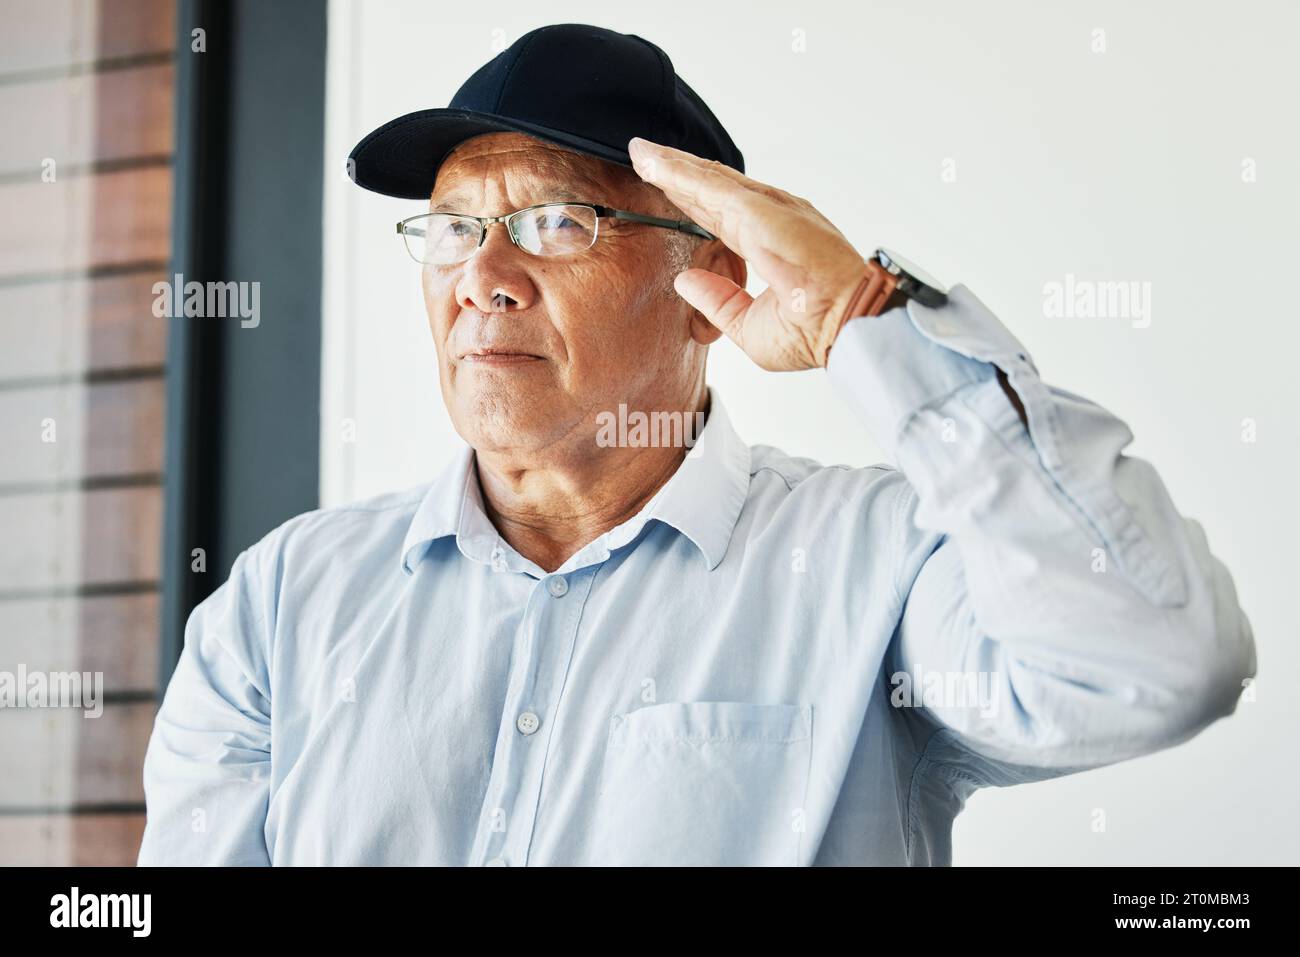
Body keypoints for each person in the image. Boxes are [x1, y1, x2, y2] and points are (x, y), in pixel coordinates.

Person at [138, 23, 1255, 866]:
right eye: (453, 229)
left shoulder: (877, 564)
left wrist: (863, 319)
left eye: (554, 224)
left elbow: (1153, 662)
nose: (483, 277)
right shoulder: (284, 600)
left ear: (704, 282)